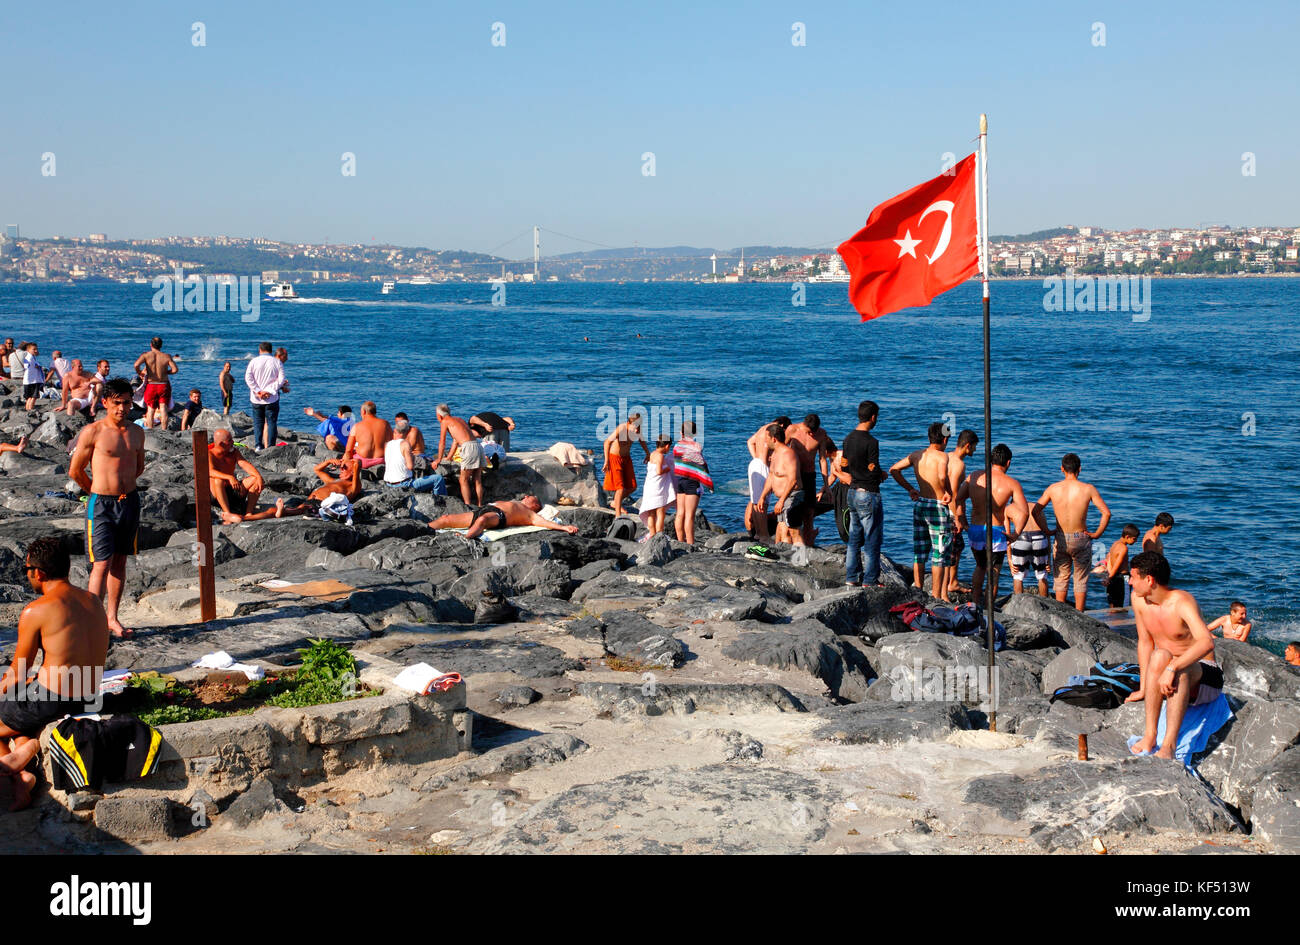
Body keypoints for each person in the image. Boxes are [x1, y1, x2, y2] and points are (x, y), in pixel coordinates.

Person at [0, 538, 109, 810]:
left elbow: (17, 671)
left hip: (52, 698)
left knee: (8, 703)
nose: (27, 575)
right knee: (16, 713)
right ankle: (24, 770)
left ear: (39, 572)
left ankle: (23, 764)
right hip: (89, 696)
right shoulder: (93, 601)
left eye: (27, 569)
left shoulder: (36, 610)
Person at [68, 378, 145, 639]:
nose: (122, 408)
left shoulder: (137, 432)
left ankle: (112, 618)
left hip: (129, 501)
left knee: (120, 561)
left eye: (126, 403)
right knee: (101, 563)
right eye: (117, 403)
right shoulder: (93, 431)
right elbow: (75, 470)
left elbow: (139, 465)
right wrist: (95, 490)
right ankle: (93, 621)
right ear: (105, 403)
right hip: (101, 503)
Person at [1127, 551, 1221, 760]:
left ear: (1149, 579)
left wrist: (1173, 667)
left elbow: (1206, 642)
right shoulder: (1138, 600)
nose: (1130, 582)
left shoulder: (1181, 602)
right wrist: (1144, 687)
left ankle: (1168, 745)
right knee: (1159, 655)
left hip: (1203, 673)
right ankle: (1150, 735)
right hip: (1168, 667)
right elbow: (1145, 643)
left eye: (1133, 577)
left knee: (1180, 668)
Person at [1029, 453, 1111, 612]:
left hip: (1060, 538)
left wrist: (1046, 530)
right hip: (1081, 538)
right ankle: (1080, 616)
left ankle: (1061, 615)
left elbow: (1035, 511)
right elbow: (1106, 513)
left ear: (1062, 469)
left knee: (1061, 579)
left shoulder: (1053, 488)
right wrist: (1097, 534)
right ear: (1079, 469)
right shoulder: (1088, 489)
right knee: (1080, 580)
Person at [954, 443, 1029, 603]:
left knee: (980, 566)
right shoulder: (1012, 483)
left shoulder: (974, 476)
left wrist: (962, 522)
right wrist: (1015, 534)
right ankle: (989, 607)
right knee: (993, 572)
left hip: (975, 529)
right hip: (996, 532)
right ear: (1008, 462)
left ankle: (974, 603)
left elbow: (958, 499)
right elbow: (1024, 512)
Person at [889, 422, 956, 601]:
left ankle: (918, 589)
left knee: (920, 550)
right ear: (944, 439)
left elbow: (894, 470)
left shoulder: (917, 455)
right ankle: (935, 595)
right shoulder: (943, 457)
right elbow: (942, 476)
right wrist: (947, 491)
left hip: (920, 505)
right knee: (939, 553)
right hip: (937, 506)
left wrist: (910, 488)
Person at [836, 400, 885, 587]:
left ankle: (851, 577)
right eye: (876, 417)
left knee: (854, 538)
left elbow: (844, 465)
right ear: (872, 417)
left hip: (852, 492)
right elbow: (873, 468)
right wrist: (880, 474)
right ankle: (870, 580)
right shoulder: (871, 442)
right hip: (868, 493)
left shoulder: (848, 439)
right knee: (872, 539)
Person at [427, 495, 580, 540]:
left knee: (482, 521)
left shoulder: (530, 514)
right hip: (484, 510)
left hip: (498, 517)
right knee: (446, 519)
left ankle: (465, 538)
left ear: (535, 506)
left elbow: (545, 523)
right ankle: (423, 529)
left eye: (531, 498)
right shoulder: (514, 501)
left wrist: (564, 528)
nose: (526, 496)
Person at [786, 414, 836, 546]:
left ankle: (807, 543)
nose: (812, 435)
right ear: (804, 425)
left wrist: (826, 486)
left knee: (809, 512)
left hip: (809, 475)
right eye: (809, 432)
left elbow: (822, 459)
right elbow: (781, 450)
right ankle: (788, 542)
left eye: (814, 432)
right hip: (793, 475)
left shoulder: (821, 434)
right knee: (791, 510)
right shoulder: (792, 430)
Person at [944, 430, 979, 597]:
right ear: (967, 446)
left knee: (950, 547)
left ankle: (950, 581)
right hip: (951, 512)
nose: (975, 450)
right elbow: (955, 496)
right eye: (974, 447)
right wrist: (958, 519)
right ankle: (952, 583)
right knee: (955, 548)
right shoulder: (959, 464)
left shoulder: (947, 456)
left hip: (943, 508)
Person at [207, 429, 265, 524]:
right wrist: (230, 477)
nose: (233, 442)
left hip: (232, 489)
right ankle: (227, 514)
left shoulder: (234, 452)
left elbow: (244, 464)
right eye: (230, 440)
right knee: (218, 480)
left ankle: (249, 513)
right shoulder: (209, 454)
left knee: (255, 479)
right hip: (217, 493)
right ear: (221, 444)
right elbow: (210, 471)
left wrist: (258, 476)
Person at [432, 404, 486, 506]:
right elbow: (456, 441)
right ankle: (480, 505)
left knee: (463, 479)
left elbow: (442, 442)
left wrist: (439, 459)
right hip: (477, 446)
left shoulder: (445, 421)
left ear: (439, 415)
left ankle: (467, 505)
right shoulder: (459, 419)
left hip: (468, 448)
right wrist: (449, 457)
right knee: (477, 479)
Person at [757, 423, 802, 547]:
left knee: (793, 531)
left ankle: (801, 560)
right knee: (780, 533)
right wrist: (762, 496)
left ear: (774, 439)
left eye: (766, 438)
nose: (764, 441)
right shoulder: (775, 454)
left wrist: (782, 501)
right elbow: (771, 476)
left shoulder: (788, 454)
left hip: (792, 497)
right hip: (783, 499)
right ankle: (786, 559)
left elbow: (793, 480)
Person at [672, 420, 712, 545]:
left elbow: (680, 462)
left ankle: (680, 541)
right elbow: (701, 464)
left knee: (680, 514)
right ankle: (690, 543)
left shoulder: (677, 446)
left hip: (681, 480)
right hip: (692, 482)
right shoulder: (696, 446)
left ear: (681, 432)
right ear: (695, 433)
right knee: (689, 515)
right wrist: (707, 479)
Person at [603, 412, 649, 516]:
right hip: (615, 458)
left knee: (632, 486)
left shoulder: (637, 429)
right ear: (629, 423)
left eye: (639, 427)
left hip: (626, 459)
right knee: (620, 488)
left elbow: (642, 440)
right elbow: (607, 442)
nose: (637, 430)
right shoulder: (622, 428)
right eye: (635, 427)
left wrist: (647, 453)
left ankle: (615, 503)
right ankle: (618, 515)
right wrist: (606, 461)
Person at [245, 342, 284, 451]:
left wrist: (258, 391)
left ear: (260, 350)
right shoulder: (277, 362)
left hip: (256, 398)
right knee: (271, 422)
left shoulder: (253, 361)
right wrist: (269, 391)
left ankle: (258, 445)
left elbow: (248, 378)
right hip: (271, 398)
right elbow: (280, 380)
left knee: (258, 422)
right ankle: (271, 446)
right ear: (271, 350)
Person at [133, 336, 178, 429]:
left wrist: (140, 373)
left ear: (151, 344)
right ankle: (164, 430)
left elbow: (136, 365)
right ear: (161, 345)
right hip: (163, 385)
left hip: (151, 384)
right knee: (163, 408)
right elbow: (175, 370)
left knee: (150, 409)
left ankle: (150, 430)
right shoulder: (166, 356)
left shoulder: (146, 355)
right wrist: (166, 372)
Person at [382, 428, 445, 493]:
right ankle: (439, 501)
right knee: (438, 478)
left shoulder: (387, 444)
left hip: (388, 484)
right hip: (404, 485)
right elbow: (410, 466)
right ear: (405, 433)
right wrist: (411, 457)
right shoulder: (405, 443)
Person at [638, 435, 676, 538]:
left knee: (651, 513)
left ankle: (652, 533)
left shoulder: (652, 454)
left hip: (649, 486)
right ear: (667, 446)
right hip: (657, 488)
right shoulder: (660, 456)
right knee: (660, 511)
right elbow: (659, 471)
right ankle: (659, 534)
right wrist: (667, 469)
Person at [1095, 523, 1140, 608]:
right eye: (1134, 539)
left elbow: (1108, 560)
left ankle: (1112, 620)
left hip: (1113, 577)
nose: (1136, 541)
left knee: (1112, 602)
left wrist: (1108, 576)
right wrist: (1109, 578)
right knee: (1124, 604)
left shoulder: (1114, 544)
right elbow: (1117, 565)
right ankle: (1120, 620)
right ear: (1127, 537)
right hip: (1123, 578)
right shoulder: (1124, 548)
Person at [343, 401, 393, 468]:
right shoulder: (386, 424)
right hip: (381, 460)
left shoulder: (357, 427)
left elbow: (348, 450)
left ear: (363, 412)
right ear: (374, 411)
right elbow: (392, 443)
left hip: (362, 462)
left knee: (347, 454)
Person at [19, 342, 43, 411]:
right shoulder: (29, 358)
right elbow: (26, 365)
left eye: (36, 349)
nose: (36, 351)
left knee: (29, 397)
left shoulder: (31, 357)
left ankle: (27, 409)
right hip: (32, 380)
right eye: (34, 349)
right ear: (28, 350)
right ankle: (30, 409)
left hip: (28, 380)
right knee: (34, 396)